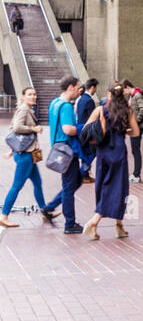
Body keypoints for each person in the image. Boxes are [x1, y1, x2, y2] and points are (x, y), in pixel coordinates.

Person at [82, 83, 139, 241]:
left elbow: (85, 129)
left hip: (102, 150)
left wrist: (102, 131)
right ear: (122, 96)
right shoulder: (128, 111)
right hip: (119, 151)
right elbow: (136, 132)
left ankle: (118, 226)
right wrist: (123, 130)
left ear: (109, 95)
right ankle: (95, 221)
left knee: (103, 185)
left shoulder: (100, 109)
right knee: (119, 188)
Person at [0, 87, 62, 227]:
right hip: (25, 156)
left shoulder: (27, 110)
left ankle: (44, 212)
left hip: (28, 154)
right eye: (29, 94)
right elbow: (16, 128)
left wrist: (12, 149)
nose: (33, 97)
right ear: (23, 96)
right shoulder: (24, 109)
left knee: (37, 183)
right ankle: (4, 215)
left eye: (34, 94)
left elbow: (12, 129)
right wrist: (33, 129)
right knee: (17, 186)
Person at [48, 74, 84, 235]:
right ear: (70, 87)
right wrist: (85, 127)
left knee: (73, 182)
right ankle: (70, 223)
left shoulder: (54, 103)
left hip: (59, 149)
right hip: (69, 151)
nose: (79, 91)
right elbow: (68, 129)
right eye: (77, 88)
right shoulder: (67, 106)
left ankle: (50, 207)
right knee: (69, 186)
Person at [122, 80, 143, 182]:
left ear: (127, 87)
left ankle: (137, 175)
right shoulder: (133, 96)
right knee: (134, 149)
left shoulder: (137, 95)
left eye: (123, 90)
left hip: (137, 127)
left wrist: (135, 121)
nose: (123, 93)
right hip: (135, 127)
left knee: (135, 149)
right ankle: (135, 174)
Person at [76, 78, 99, 183]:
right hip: (88, 130)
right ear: (92, 87)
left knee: (85, 153)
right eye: (95, 88)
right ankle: (83, 174)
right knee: (92, 152)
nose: (95, 91)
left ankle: (85, 174)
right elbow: (92, 118)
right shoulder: (89, 101)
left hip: (80, 129)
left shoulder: (81, 99)